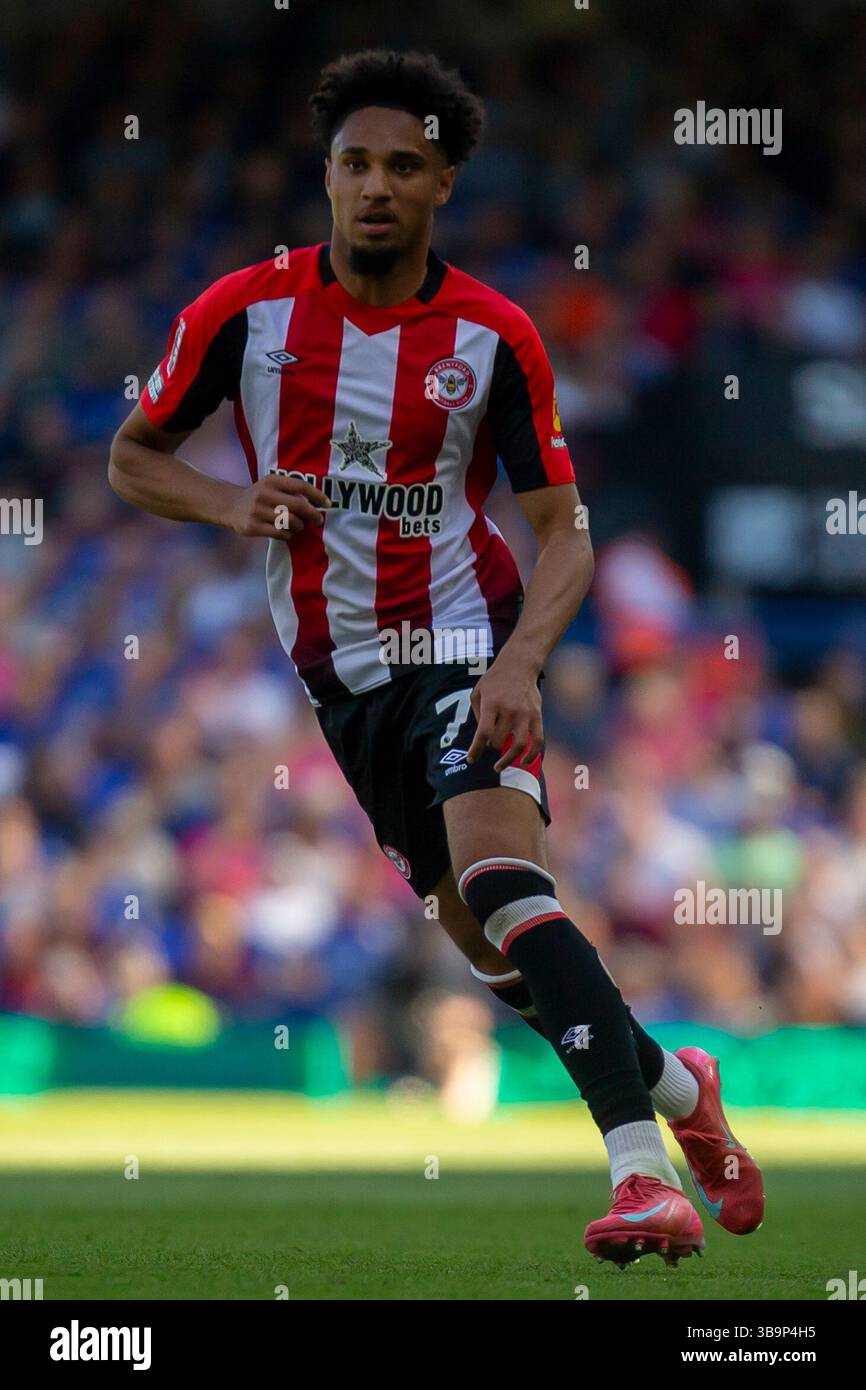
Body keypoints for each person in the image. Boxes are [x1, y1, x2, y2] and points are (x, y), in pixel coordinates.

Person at [108, 47, 763, 1265]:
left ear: (441, 184)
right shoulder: (242, 312)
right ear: (326, 175)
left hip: (466, 640)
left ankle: (638, 1174)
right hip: (340, 676)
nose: (373, 186)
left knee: (509, 888)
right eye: (353, 163)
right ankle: (681, 1091)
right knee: (482, 946)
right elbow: (131, 455)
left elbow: (564, 528)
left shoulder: (493, 334)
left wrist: (516, 664)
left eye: (402, 166)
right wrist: (231, 503)